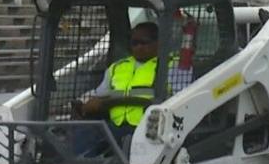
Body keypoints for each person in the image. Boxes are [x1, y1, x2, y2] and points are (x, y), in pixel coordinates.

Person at [73, 19, 196, 156]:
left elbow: (182, 97)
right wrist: (85, 104)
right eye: (134, 43)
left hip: (150, 130)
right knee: (85, 132)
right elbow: (99, 94)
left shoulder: (171, 66)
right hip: (115, 126)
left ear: (158, 43)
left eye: (144, 42)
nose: (138, 47)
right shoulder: (118, 67)